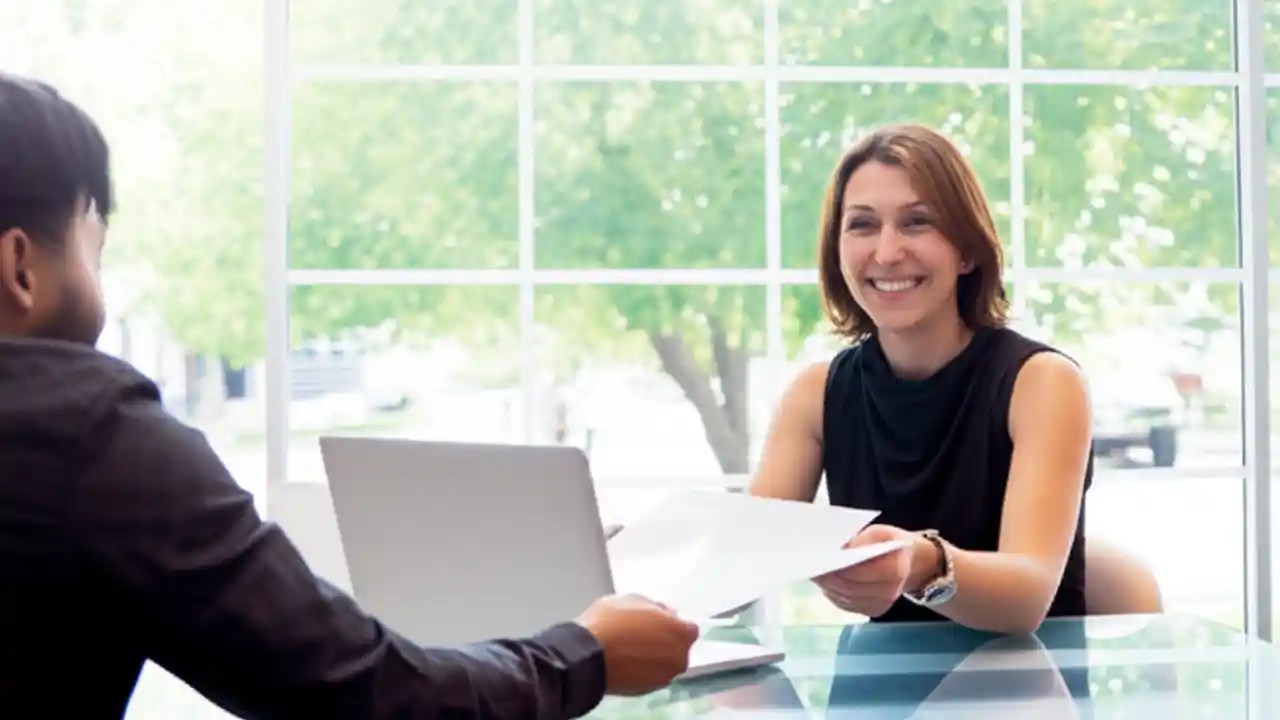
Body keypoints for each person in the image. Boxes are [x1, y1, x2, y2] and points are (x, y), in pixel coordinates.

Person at [0, 73, 698, 718]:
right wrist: (586, 654)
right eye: (95, 252)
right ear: (20, 266)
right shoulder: (87, 430)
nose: (101, 279)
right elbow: (361, 693)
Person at [750, 123, 1093, 634]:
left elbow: (1026, 598)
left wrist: (922, 562)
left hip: (1027, 687)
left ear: (967, 251)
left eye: (917, 223)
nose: (887, 253)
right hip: (882, 693)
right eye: (862, 225)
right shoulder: (815, 395)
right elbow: (744, 555)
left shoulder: (1042, 382)